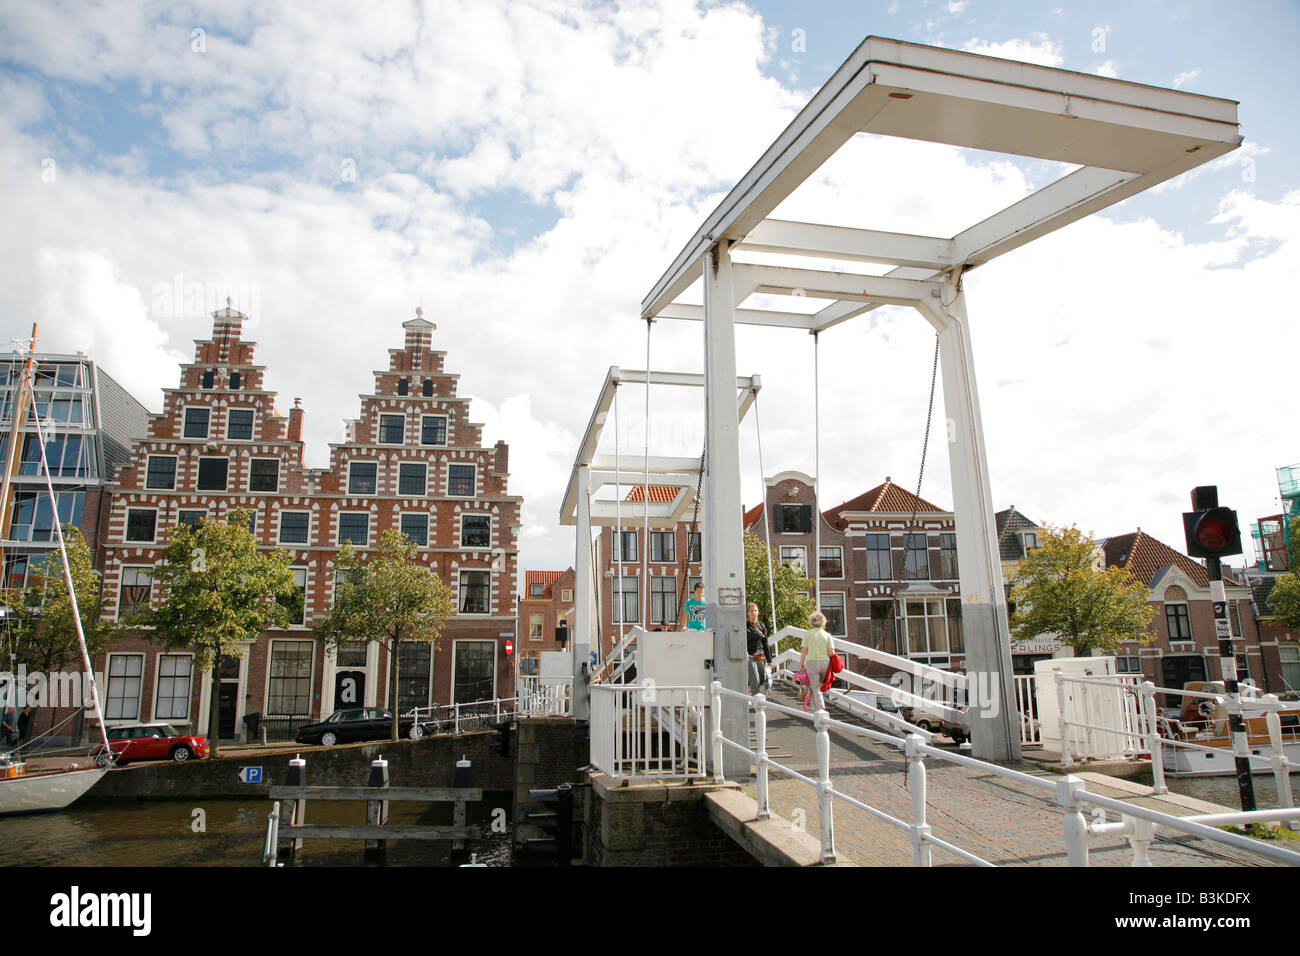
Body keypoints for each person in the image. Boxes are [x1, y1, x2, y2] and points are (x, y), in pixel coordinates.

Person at [800, 611, 834, 713]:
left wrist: (801, 665)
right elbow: (831, 652)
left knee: (815, 687)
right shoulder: (827, 635)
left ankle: (820, 710)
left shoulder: (808, 634)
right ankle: (815, 707)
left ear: (811, 621)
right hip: (825, 663)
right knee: (818, 686)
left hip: (812, 663)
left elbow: (804, 651)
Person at [746, 603, 771, 695]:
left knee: (761, 680)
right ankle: (757, 703)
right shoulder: (745, 626)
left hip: (761, 656)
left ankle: (750, 691)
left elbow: (765, 643)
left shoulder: (761, 625)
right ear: (747, 613)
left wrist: (769, 659)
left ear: (758, 613)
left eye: (755, 610)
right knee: (755, 681)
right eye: (751, 611)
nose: (753, 612)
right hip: (750, 656)